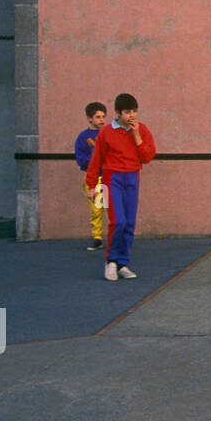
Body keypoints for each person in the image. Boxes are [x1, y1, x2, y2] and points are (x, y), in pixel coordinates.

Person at [85, 93, 156, 281]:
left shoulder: (142, 130)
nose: (131, 115)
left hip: (133, 177)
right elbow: (96, 160)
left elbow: (147, 157)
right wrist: (92, 185)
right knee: (118, 221)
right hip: (112, 178)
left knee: (130, 223)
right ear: (118, 113)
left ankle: (123, 263)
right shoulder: (106, 132)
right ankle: (111, 262)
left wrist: (136, 135)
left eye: (134, 111)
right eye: (127, 112)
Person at [74, 102, 107, 250]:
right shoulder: (83, 137)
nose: (101, 120)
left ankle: (117, 236)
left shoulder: (108, 134)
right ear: (89, 118)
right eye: (97, 117)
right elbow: (81, 158)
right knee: (96, 209)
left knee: (114, 207)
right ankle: (97, 237)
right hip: (94, 178)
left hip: (110, 176)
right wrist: (96, 161)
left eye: (103, 116)